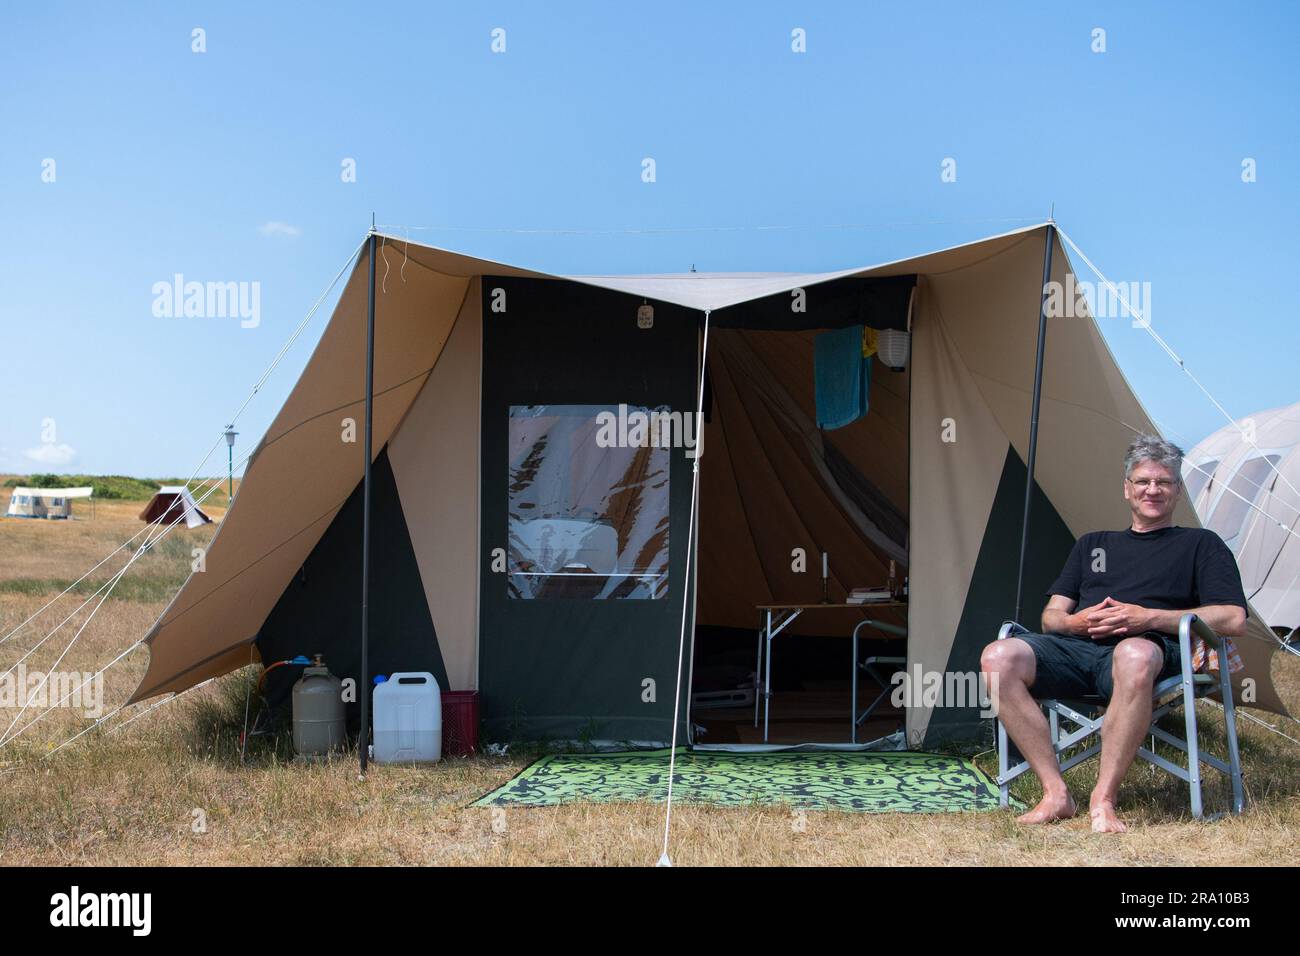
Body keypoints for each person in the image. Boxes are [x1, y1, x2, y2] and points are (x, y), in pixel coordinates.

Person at [980, 435, 1248, 833]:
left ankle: (1103, 799)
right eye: (1142, 481)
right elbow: (1052, 617)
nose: (1152, 490)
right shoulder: (1093, 545)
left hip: (1151, 651)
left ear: (1177, 491)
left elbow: (1233, 618)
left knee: (1134, 654)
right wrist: (1078, 623)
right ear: (1127, 489)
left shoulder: (1200, 544)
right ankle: (1056, 793)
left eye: (1163, 482)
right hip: (1078, 651)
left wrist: (1148, 618)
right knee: (997, 656)